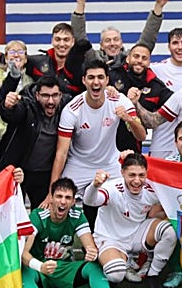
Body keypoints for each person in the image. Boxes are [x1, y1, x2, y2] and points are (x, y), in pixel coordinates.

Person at [16, 178, 140, 288]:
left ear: (74, 201)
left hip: (65, 269)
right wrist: (40, 266)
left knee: (92, 266)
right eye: (59, 196)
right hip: (40, 268)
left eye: (68, 197)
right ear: (51, 198)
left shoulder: (77, 216)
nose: (63, 201)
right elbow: (23, 253)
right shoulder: (37, 216)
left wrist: (91, 253)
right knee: (24, 269)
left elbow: (90, 247)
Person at [52, 59, 145, 215]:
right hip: (79, 164)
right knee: (59, 201)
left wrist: (129, 119)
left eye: (100, 77)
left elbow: (141, 135)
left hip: (110, 163)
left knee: (128, 198)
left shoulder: (120, 100)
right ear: (84, 80)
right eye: (91, 77)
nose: (96, 82)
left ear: (107, 80)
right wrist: (51, 190)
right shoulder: (72, 109)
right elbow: (61, 153)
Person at [83, 154, 178, 288]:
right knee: (116, 275)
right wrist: (95, 185)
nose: (137, 180)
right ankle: (114, 262)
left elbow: (175, 197)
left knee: (169, 232)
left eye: (141, 175)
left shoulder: (151, 189)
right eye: (132, 175)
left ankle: (153, 275)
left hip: (136, 234)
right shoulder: (112, 188)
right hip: (110, 239)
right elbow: (90, 201)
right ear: (122, 173)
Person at [0, 74, 69, 208]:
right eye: (45, 96)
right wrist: (8, 106)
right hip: (19, 170)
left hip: (45, 173)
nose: (51, 101)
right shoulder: (27, 105)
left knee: (42, 215)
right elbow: (12, 114)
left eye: (55, 96)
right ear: (37, 95)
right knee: (13, 214)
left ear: (61, 95)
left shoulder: (67, 107)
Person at [70, 0, 171, 69]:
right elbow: (79, 38)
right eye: (107, 40)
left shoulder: (130, 58)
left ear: (121, 43)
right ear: (101, 45)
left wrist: (158, 6)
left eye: (116, 39)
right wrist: (81, 3)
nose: (112, 44)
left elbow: (147, 40)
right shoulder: (93, 59)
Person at [110, 43, 173, 152]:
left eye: (144, 58)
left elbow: (155, 121)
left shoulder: (156, 87)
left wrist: (135, 104)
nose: (139, 61)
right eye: (136, 56)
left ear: (149, 63)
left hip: (132, 149)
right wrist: (106, 90)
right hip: (104, 146)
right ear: (128, 58)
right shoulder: (112, 75)